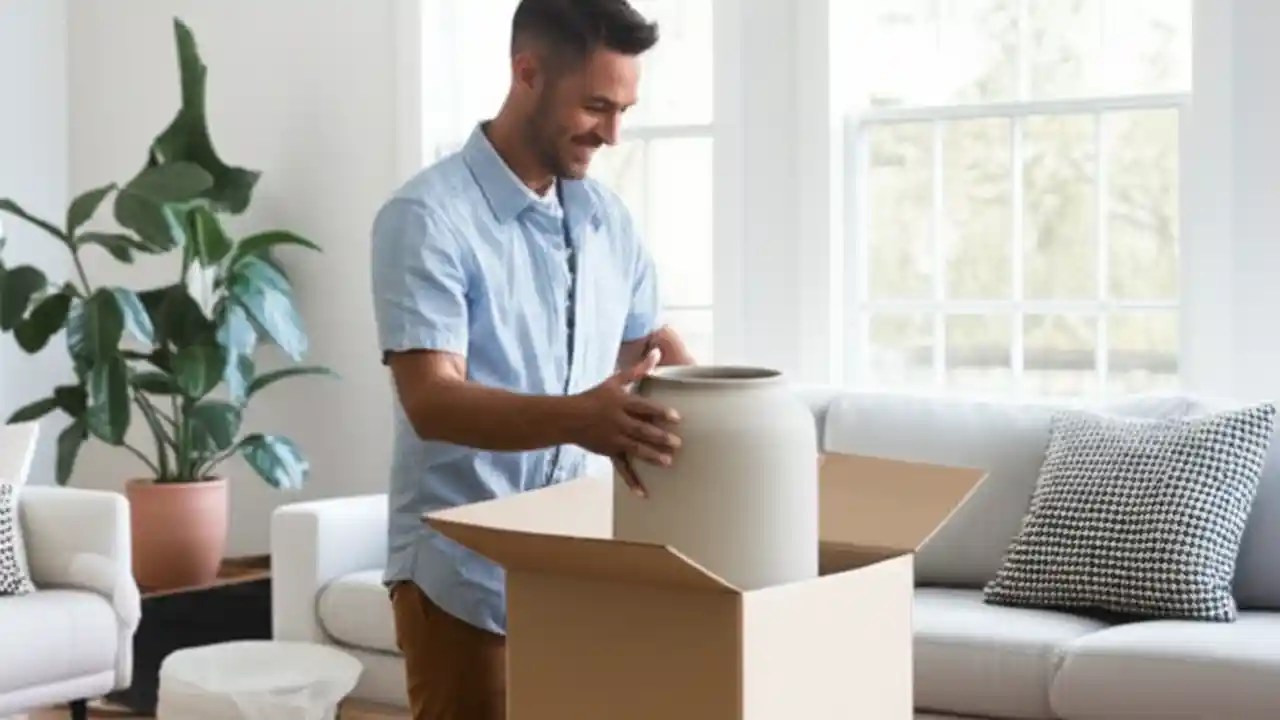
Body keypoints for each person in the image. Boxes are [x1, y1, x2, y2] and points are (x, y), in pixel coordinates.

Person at [369, 0, 696, 717]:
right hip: (461, 579)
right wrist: (583, 420)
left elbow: (654, 352)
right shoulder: (426, 219)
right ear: (527, 74)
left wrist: (748, 421)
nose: (612, 134)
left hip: (576, 570)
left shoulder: (607, 220)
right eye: (595, 106)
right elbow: (431, 400)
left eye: (624, 110)